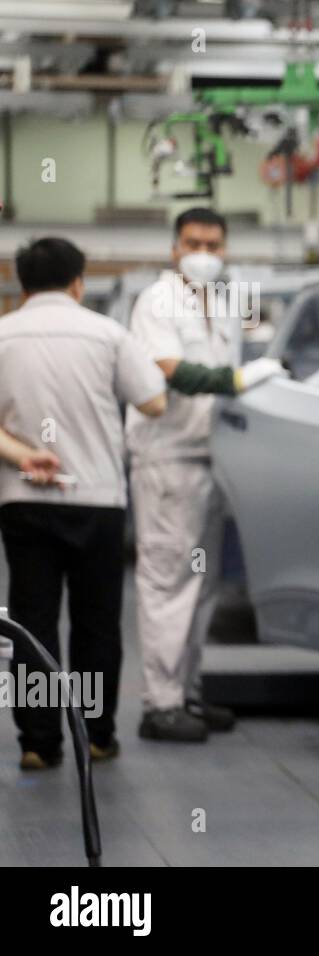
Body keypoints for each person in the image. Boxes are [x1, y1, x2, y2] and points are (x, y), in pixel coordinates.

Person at [0, 237, 167, 770]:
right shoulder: (107, 334)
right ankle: (96, 736)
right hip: (97, 497)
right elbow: (154, 401)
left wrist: (26, 454)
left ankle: (38, 742)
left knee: (32, 621)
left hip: (24, 498)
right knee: (96, 622)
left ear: (21, 284)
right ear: (79, 282)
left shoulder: (2, 335)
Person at [127, 208, 286, 743]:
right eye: (193, 242)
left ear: (225, 249)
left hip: (211, 458)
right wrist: (240, 378)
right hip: (168, 459)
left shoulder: (219, 302)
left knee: (202, 585)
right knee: (168, 580)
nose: (203, 251)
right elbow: (173, 371)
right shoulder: (157, 301)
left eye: (213, 243)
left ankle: (187, 691)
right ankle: (160, 703)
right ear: (174, 248)